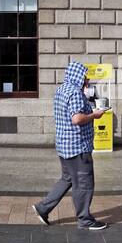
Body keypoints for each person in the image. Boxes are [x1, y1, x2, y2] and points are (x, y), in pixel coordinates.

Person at [34, 60, 109, 230]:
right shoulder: (75, 93)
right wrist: (94, 115)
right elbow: (77, 119)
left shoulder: (61, 89)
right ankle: (84, 219)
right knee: (84, 183)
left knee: (67, 179)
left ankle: (43, 208)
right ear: (77, 76)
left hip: (64, 146)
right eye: (85, 77)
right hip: (78, 147)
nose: (87, 80)